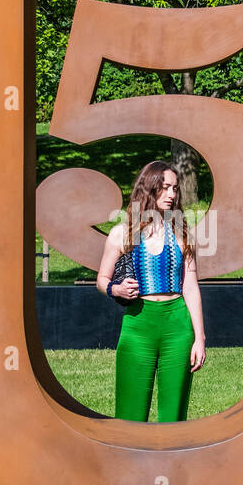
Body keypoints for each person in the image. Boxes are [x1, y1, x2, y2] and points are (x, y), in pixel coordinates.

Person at [97, 160, 206, 422]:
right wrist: (115, 289)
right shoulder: (121, 233)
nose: (172, 195)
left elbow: (191, 285)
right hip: (138, 325)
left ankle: (172, 461)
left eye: (175, 189)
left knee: (174, 414)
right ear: (149, 189)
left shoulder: (182, 232)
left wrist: (200, 338)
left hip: (178, 326)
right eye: (165, 188)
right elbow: (101, 279)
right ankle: (128, 462)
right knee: (130, 413)